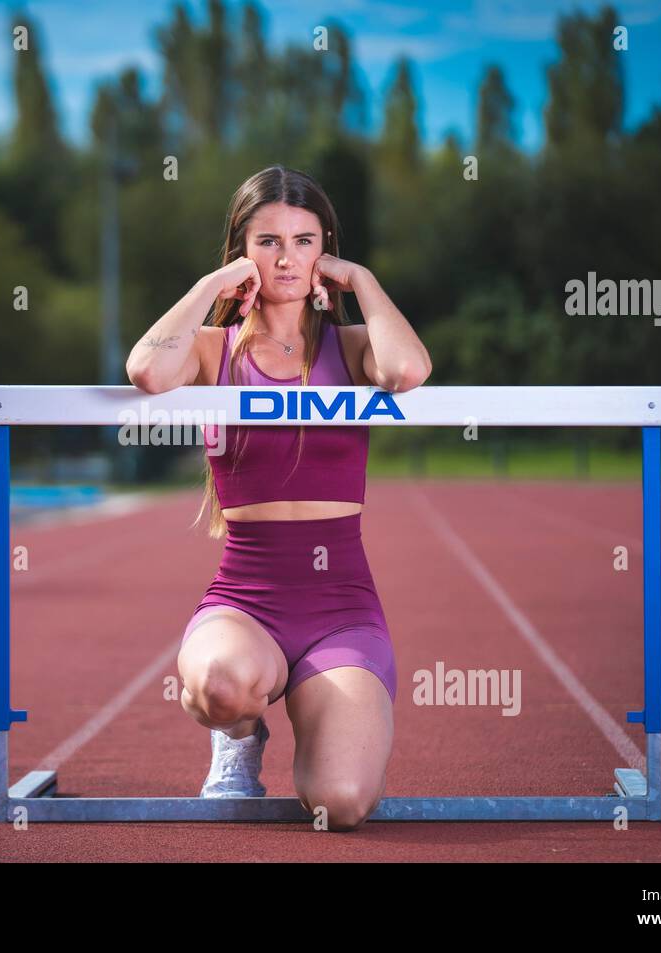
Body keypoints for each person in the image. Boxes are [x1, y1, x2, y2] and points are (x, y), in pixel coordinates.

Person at [125, 165, 431, 831]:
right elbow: (148, 369)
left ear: (326, 250)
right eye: (267, 241)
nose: (286, 257)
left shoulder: (352, 350)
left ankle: (327, 713)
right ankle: (239, 734)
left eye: (304, 240)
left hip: (342, 610)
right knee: (220, 684)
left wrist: (365, 281)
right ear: (242, 249)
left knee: (341, 800)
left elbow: (408, 369)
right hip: (247, 601)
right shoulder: (212, 351)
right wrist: (215, 285)